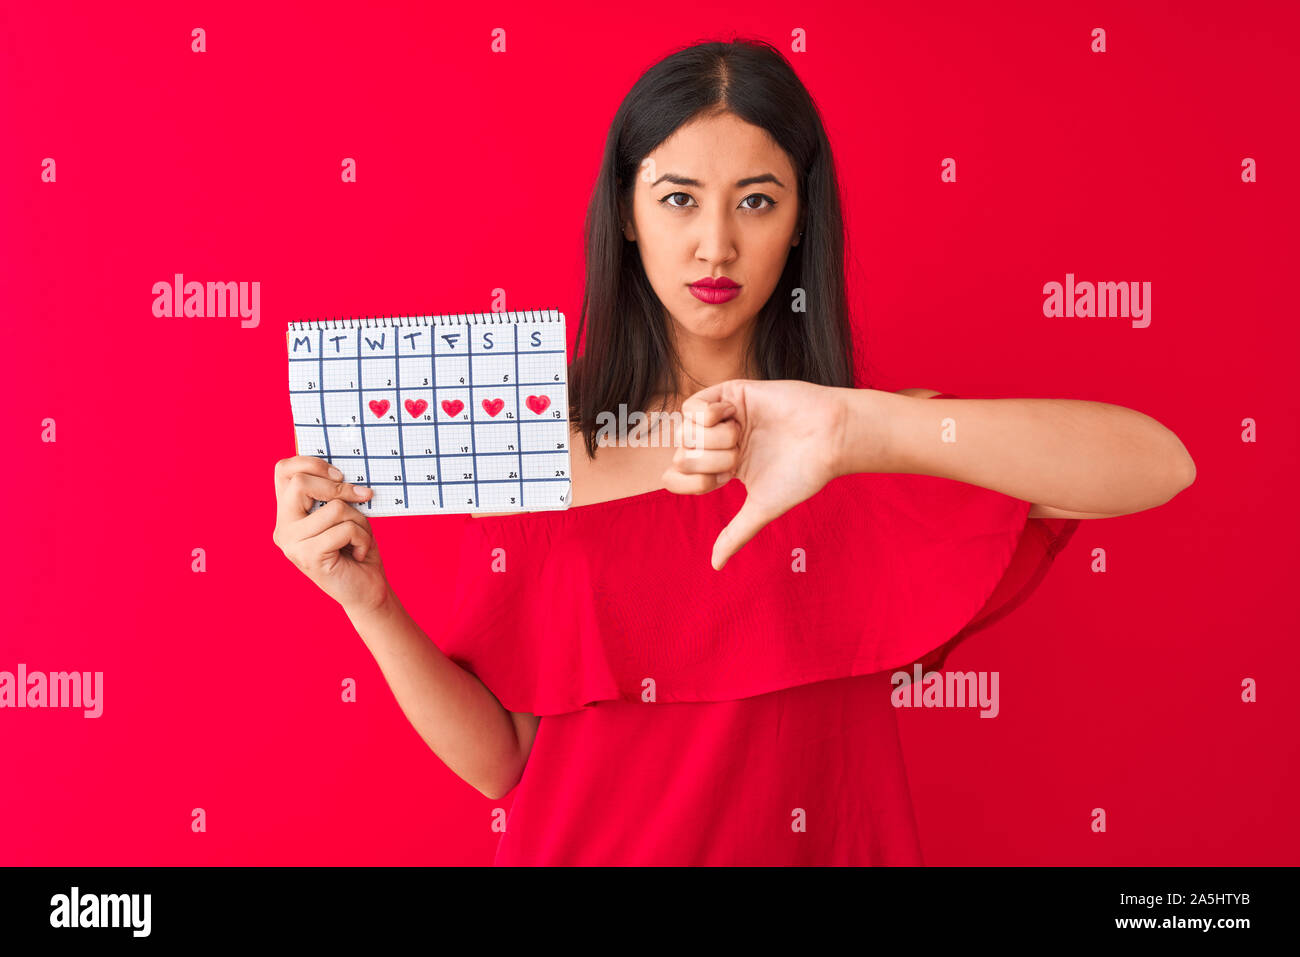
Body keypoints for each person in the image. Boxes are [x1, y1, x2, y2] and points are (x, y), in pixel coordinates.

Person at [272, 38, 1195, 865]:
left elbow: (1160, 465)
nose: (716, 243)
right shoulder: (531, 436)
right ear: (628, 214)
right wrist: (373, 604)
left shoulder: (864, 437)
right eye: (678, 199)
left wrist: (858, 428)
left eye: (757, 200)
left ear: (800, 220)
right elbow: (498, 763)